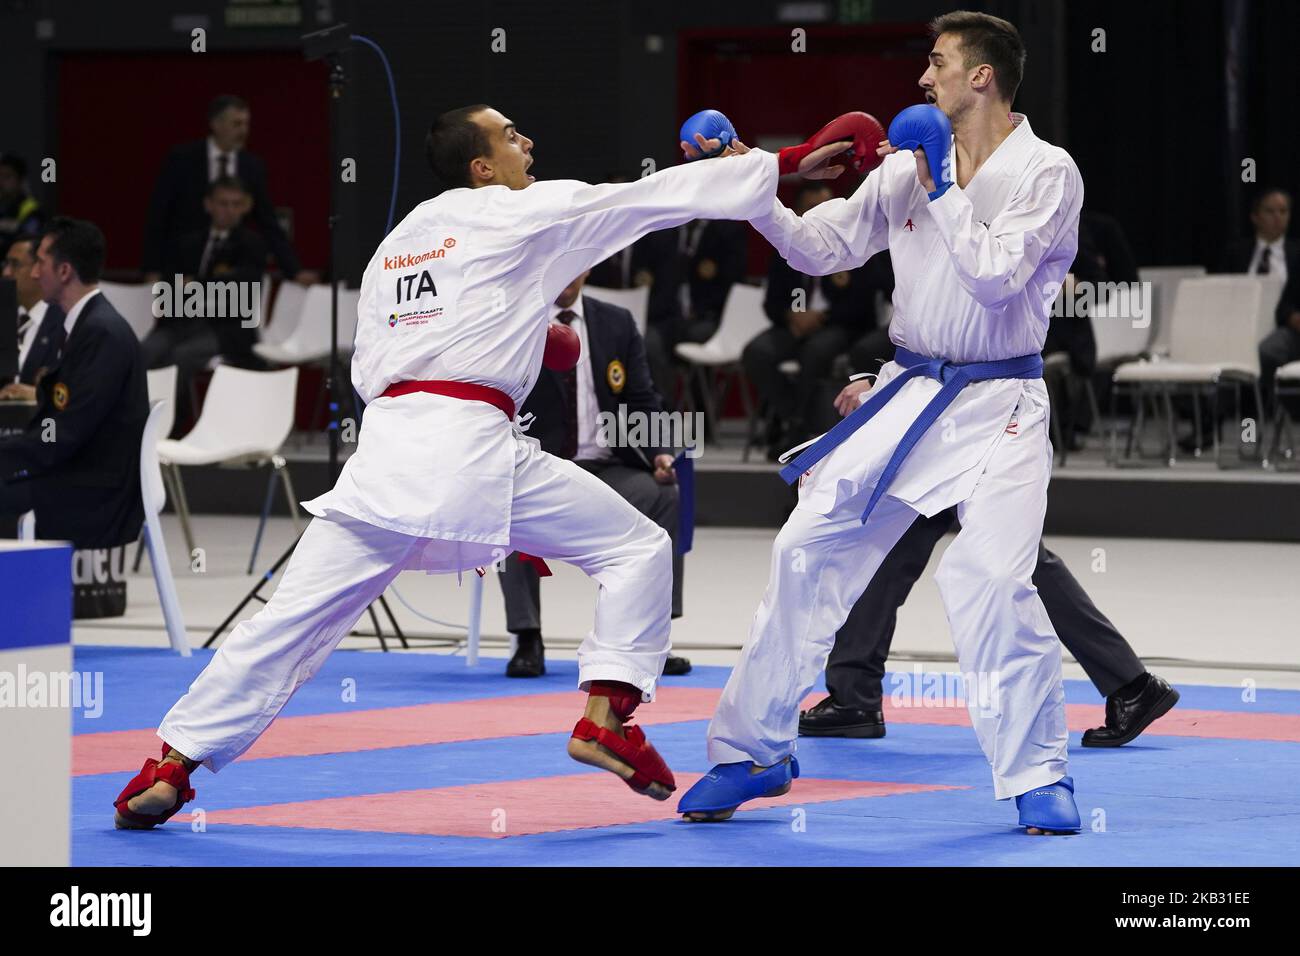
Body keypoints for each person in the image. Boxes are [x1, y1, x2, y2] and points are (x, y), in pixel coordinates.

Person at [111, 103, 853, 830]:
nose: (527, 141)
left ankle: (170, 768)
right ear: (482, 167)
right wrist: (782, 166)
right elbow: (637, 201)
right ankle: (607, 714)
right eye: (510, 135)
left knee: (286, 626)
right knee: (637, 547)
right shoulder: (508, 211)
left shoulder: (398, 244)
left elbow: (385, 361)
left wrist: (532, 338)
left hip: (386, 452)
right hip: (471, 446)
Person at [678, 11, 1086, 834]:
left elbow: (999, 281)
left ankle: (1038, 772)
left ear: (983, 76)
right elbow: (814, 250)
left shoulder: (1048, 171)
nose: (923, 80)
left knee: (990, 579)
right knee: (802, 548)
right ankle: (754, 751)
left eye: (937, 64)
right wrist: (747, 178)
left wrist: (939, 184)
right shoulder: (903, 169)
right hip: (906, 393)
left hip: (1001, 401)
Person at [801, 385, 1179, 746]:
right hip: (955, 419)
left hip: (973, 420)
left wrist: (883, 379)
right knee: (899, 550)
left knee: (909, 550)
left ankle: (854, 695)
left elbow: (945, 339)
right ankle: (853, 694)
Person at [497, 270, 691, 678]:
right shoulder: (516, 319)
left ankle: (651, 638)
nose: (566, 276)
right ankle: (527, 637)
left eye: (576, 266)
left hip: (607, 467)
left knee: (664, 494)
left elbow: (641, 397)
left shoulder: (615, 321)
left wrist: (659, 453)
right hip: (539, 466)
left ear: (587, 268)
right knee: (507, 497)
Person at [0, 218, 148, 548]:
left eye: (40, 262)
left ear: (64, 271)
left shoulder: (101, 333)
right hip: (84, 476)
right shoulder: (90, 325)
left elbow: (65, 434)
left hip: (97, 494)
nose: (35, 274)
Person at [745, 180, 878, 454]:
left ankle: (796, 431)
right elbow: (771, 302)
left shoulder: (856, 244)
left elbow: (863, 304)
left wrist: (821, 317)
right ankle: (796, 418)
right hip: (794, 326)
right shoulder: (786, 247)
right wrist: (791, 317)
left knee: (816, 352)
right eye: (812, 208)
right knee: (757, 353)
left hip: (840, 326)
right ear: (800, 212)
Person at [141, 175, 271, 435]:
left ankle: (169, 428)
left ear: (246, 206)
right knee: (146, 351)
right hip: (180, 322)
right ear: (208, 204)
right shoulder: (187, 242)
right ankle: (137, 420)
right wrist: (208, 286)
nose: (229, 210)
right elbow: (170, 285)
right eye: (223, 203)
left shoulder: (252, 245)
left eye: (236, 204)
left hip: (226, 328)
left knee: (181, 357)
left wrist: (196, 285)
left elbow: (241, 287)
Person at [141, 95, 317, 284]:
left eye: (246, 124)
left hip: (231, 272)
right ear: (216, 124)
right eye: (237, 124)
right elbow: (158, 217)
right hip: (183, 267)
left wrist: (294, 270)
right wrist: (152, 269)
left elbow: (268, 222)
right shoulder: (182, 159)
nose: (244, 131)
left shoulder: (252, 166)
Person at [1, 236, 65, 397]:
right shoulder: (4, 317)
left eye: (15, 264)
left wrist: (39, 394)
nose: (6, 272)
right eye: (5, 264)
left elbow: (76, 391)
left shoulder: (64, 322)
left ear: (39, 269)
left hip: (42, 420)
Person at [0, 153, 45, 258]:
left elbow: (28, 246)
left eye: (7, 176)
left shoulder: (32, 210)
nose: (1, 182)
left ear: (20, 180)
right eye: (0, 176)